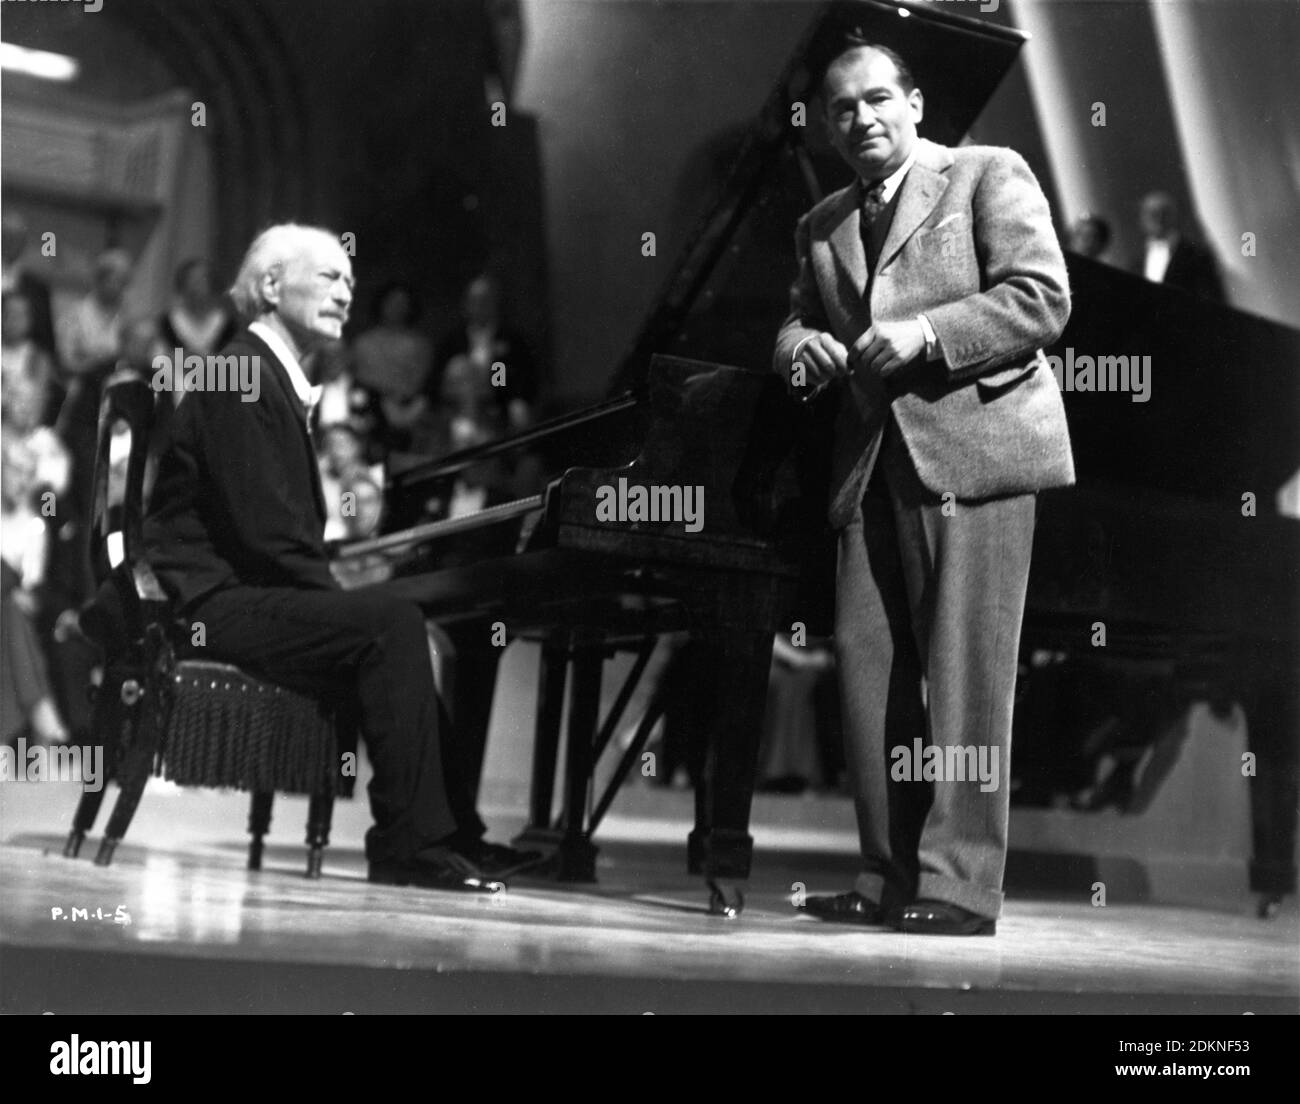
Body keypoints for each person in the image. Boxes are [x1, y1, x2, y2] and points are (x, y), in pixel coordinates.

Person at [774, 37, 1074, 935]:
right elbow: (791, 322)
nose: (860, 118)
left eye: (876, 99)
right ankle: (885, 877)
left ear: (913, 105)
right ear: (827, 127)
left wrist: (928, 335)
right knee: (871, 679)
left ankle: (961, 887)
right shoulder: (821, 223)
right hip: (868, 468)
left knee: (969, 681)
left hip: (976, 462)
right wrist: (804, 353)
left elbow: (1043, 297)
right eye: (841, 109)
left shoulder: (986, 172)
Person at [142, 223, 535, 892]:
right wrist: (341, 585)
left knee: (400, 622)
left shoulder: (263, 375)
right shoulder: (238, 375)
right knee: (391, 625)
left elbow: (271, 531)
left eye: (351, 282)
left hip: (244, 589)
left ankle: (452, 835)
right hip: (216, 603)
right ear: (270, 286)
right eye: (328, 277)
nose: (347, 294)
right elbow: (268, 536)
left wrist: (344, 578)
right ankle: (411, 845)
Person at [1132, 190, 1224, 301]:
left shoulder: (1197, 256)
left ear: (1174, 216)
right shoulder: (1137, 262)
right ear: (1142, 219)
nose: (1159, 219)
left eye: (1164, 213)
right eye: (1152, 214)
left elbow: (1209, 298)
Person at [56, 248, 132, 378]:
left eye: (123, 282)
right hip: (82, 385)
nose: (119, 288)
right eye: (115, 281)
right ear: (99, 280)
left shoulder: (128, 317)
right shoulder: (75, 314)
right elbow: (65, 362)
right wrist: (97, 362)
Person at [1, 211, 57, 363]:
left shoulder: (38, 289)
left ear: (24, 243)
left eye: (16, 238)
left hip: (27, 367)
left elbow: (46, 341)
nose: (10, 243)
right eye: (5, 237)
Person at [158, 258, 237, 359]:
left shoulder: (228, 326)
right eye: (191, 280)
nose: (196, 287)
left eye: (201, 281)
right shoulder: (167, 324)